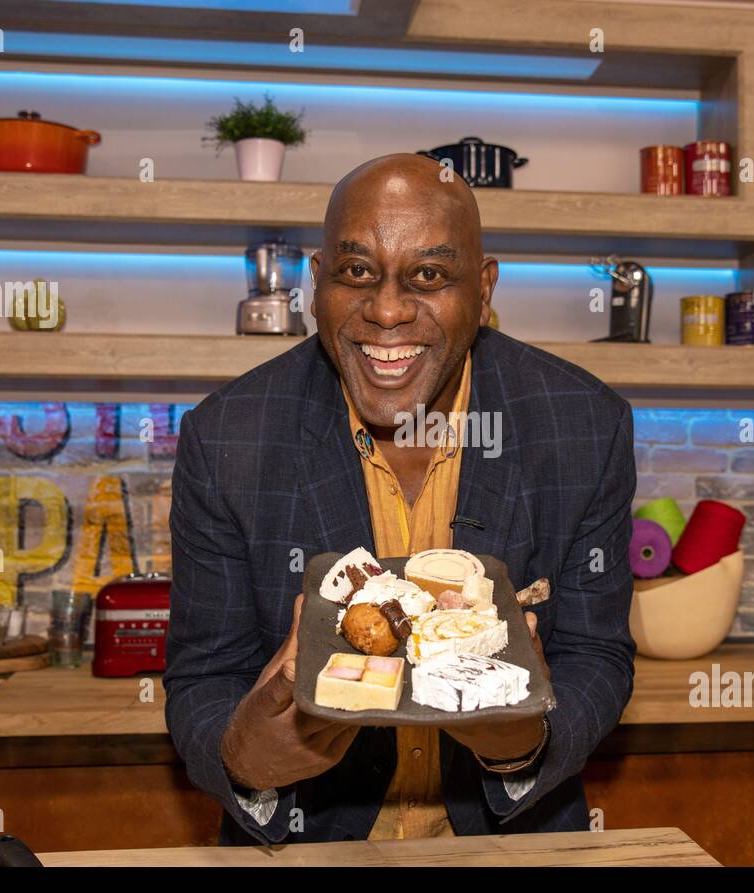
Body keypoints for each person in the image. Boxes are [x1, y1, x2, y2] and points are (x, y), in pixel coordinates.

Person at [164, 153, 635, 845]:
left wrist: (523, 742)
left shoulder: (584, 424)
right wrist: (245, 757)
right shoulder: (228, 437)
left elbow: (598, 655)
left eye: (430, 276)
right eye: (357, 272)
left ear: (482, 287)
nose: (386, 310)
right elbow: (202, 677)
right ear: (317, 282)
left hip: (514, 846)